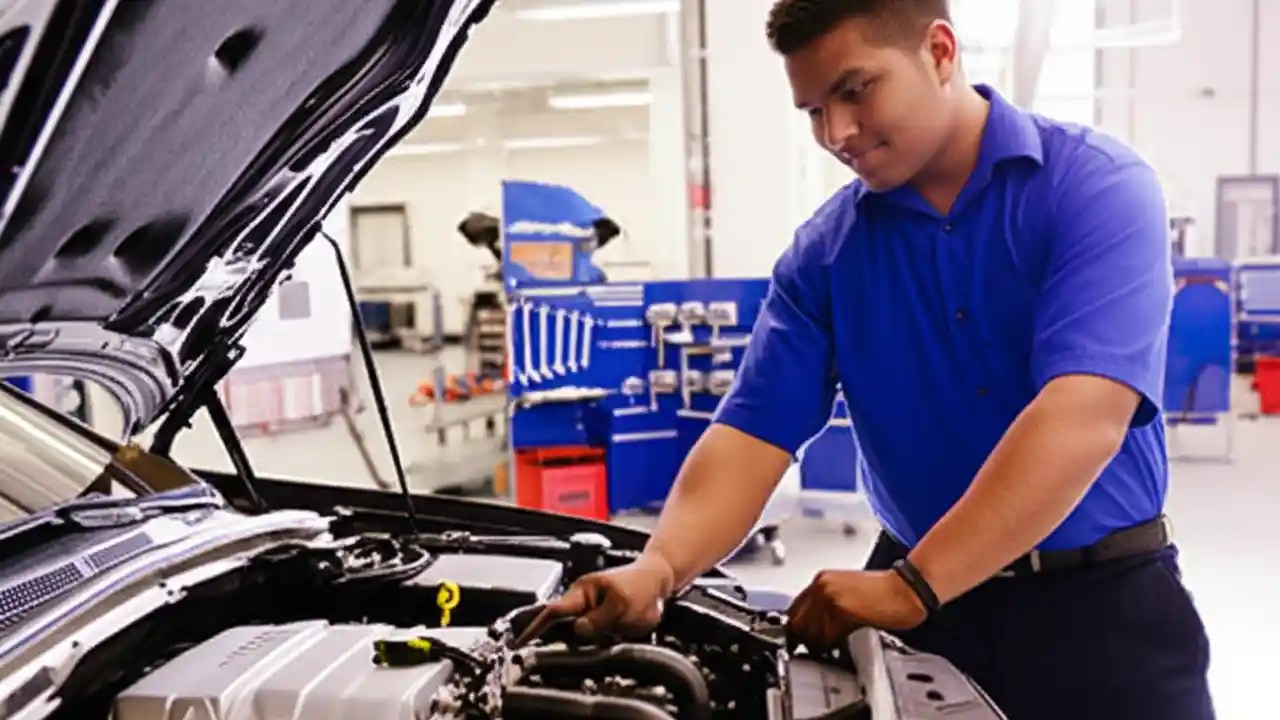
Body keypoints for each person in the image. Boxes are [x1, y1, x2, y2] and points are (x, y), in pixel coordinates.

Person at [514, 1, 1214, 718]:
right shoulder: (825, 255)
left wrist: (915, 584)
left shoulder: (1095, 189)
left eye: (856, 90)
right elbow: (752, 435)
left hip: (1098, 610)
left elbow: (1082, 417)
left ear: (939, 51)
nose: (836, 133)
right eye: (814, 110)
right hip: (923, 617)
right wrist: (659, 568)